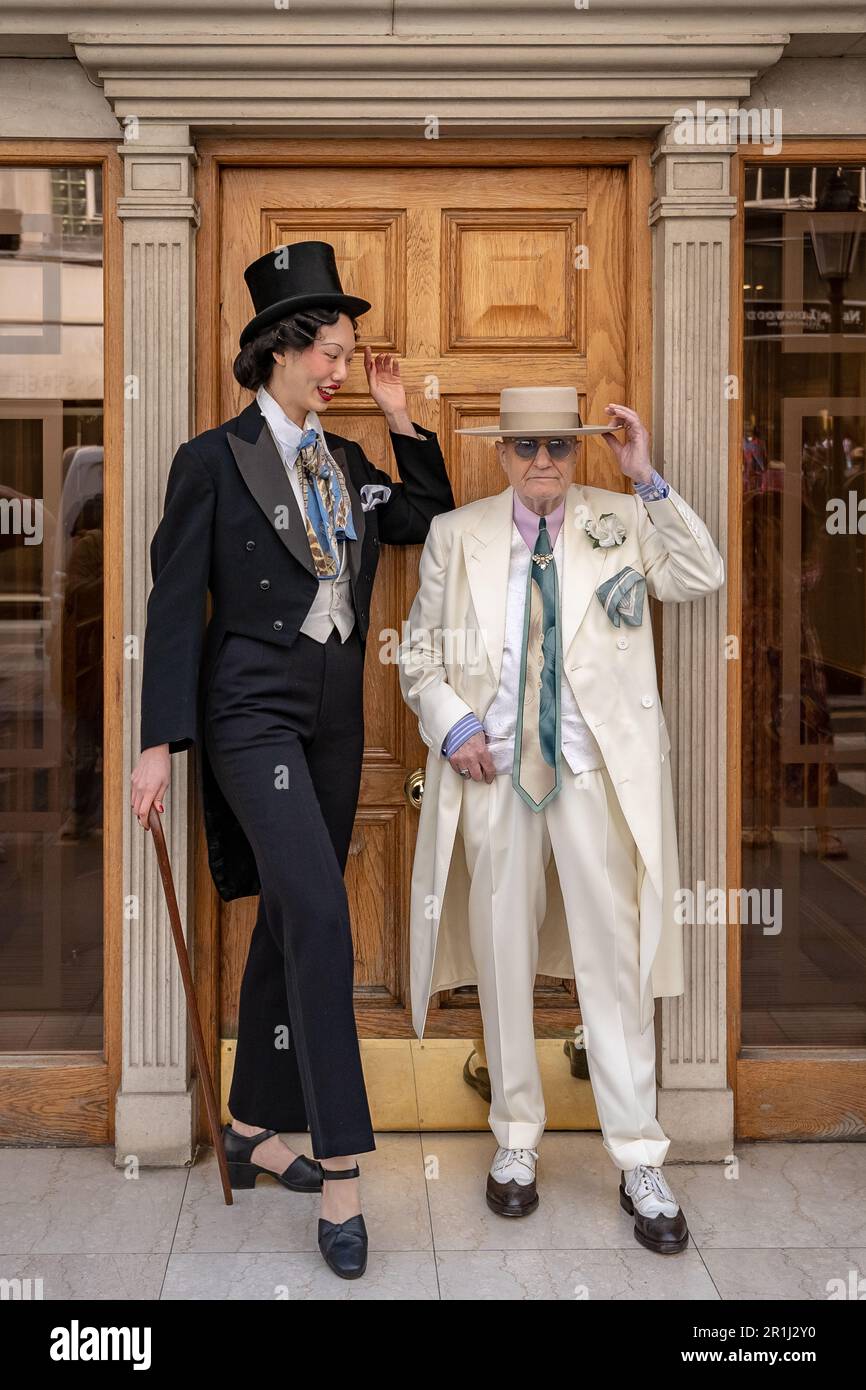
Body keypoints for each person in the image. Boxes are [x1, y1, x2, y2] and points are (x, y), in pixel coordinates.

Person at [131, 240, 454, 1279]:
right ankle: (343, 1167)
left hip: (329, 717)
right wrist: (154, 742)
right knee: (320, 913)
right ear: (275, 350)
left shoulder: (351, 465)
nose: (341, 366)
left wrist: (400, 418)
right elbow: (174, 605)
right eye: (327, 348)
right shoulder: (211, 462)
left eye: (349, 350)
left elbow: (426, 516)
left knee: (286, 910)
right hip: (248, 712)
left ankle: (252, 1127)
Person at [398, 385, 724, 1253]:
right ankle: (515, 1141)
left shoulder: (621, 515)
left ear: (579, 453)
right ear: (502, 453)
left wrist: (646, 474)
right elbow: (419, 650)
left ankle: (639, 1156)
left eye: (560, 448)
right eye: (527, 448)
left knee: (612, 965)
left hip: (592, 777)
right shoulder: (453, 535)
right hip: (495, 774)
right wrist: (452, 722)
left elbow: (700, 575)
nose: (544, 463)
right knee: (502, 961)